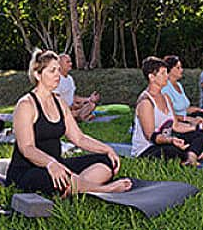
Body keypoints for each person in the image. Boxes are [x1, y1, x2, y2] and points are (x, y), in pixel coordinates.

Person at [7, 50, 129, 196]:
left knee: (105, 161)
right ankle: (104, 189)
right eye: (52, 71)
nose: (57, 75)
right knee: (56, 176)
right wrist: (50, 164)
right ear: (37, 74)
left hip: (58, 165)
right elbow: (27, 148)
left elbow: (79, 138)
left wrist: (107, 149)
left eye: (58, 70)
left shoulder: (59, 102)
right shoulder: (26, 105)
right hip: (28, 170)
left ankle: (73, 186)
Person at [133, 56, 203, 166]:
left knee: (199, 134)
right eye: (163, 73)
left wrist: (199, 127)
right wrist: (171, 140)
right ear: (152, 77)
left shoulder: (166, 98)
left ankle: (191, 158)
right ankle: (189, 155)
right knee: (172, 151)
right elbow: (151, 136)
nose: (167, 76)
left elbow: (176, 125)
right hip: (148, 148)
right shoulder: (145, 102)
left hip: (167, 141)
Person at [161, 55, 203, 135]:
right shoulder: (165, 89)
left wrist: (199, 110)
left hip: (185, 116)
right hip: (176, 120)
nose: (181, 70)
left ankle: (196, 125)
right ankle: (195, 126)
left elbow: (185, 108)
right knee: (200, 135)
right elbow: (168, 115)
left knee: (202, 114)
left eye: (181, 67)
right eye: (178, 68)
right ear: (170, 70)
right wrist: (189, 119)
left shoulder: (179, 85)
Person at [56, 53, 100, 122]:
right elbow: (55, 100)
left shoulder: (70, 78)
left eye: (70, 61)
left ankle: (81, 116)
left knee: (91, 105)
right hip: (62, 110)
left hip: (73, 108)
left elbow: (73, 97)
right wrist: (69, 108)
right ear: (60, 65)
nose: (70, 64)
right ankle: (82, 116)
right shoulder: (56, 79)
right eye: (67, 62)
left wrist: (89, 99)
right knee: (73, 112)